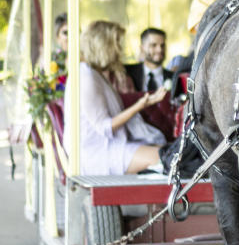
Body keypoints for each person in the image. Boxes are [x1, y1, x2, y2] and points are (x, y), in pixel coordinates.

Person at [67, 20, 167, 175]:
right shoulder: (86, 77)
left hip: (110, 147)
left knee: (169, 153)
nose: (120, 50)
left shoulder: (94, 74)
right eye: (117, 44)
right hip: (98, 154)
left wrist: (147, 103)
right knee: (165, 157)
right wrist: (140, 105)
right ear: (103, 46)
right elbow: (105, 127)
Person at [124, 27, 173, 93]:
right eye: (153, 45)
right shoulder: (128, 73)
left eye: (162, 45)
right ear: (142, 48)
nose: (159, 50)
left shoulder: (174, 77)